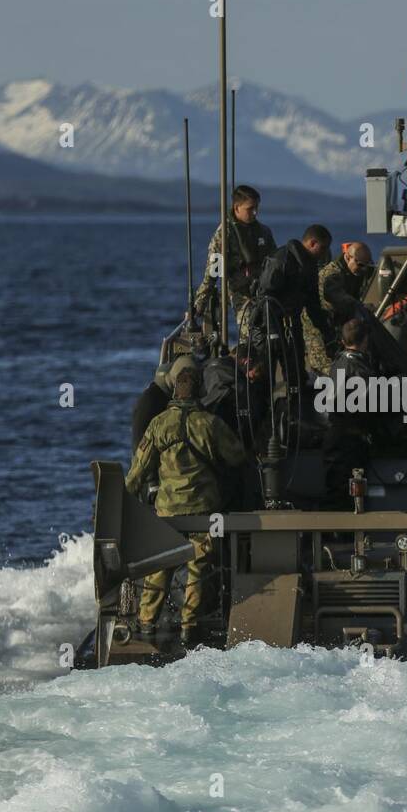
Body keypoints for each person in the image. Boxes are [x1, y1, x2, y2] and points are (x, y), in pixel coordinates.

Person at [125, 365, 246, 645]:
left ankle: (146, 622)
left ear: (175, 391)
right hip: (203, 510)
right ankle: (190, 625)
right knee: (199, 567)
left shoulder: (158, 424)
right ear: (200, 391)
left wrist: (123, 496)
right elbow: (236, 456)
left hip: (167, 510)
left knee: (160, 566)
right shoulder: (209, 423)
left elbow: (139, 468)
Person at [252, 224, 333, 383]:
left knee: (296, 374)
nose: (324, 253)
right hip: (267, 325)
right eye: (322, 248)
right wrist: (272, 331)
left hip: (291, 323)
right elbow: (265, 297)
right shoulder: (281, 259)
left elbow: (313, 304)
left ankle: (295, 403)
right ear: (312, 243)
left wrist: (327, 333)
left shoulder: (309, 267)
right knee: (264, 377)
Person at [194, 184, 277, 338]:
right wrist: (200, 302)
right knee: (251, 330)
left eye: (257, 208)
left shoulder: (264, 232)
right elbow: (213, 271)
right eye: (250, 208)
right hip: (240, 291)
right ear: (237, 207)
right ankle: (249, 356)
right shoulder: (224, 235)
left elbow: (275, 260)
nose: (255, 212)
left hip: (264, 289)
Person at [319, 317, 376, 500]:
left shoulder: (338, 363)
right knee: (345, 495)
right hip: (348, 441)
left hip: (338, 437)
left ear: (343, 341)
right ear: (365, 340)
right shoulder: (359, 368)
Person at [303, 241, 374, 374]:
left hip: (336, 325)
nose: (363, 269)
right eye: (360, 265)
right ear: (348, 257)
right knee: (326, 368)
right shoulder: (332, 275)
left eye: (366, 265)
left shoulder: (354, 273)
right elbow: (338, 297)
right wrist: (358, 306)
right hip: (318, 327)